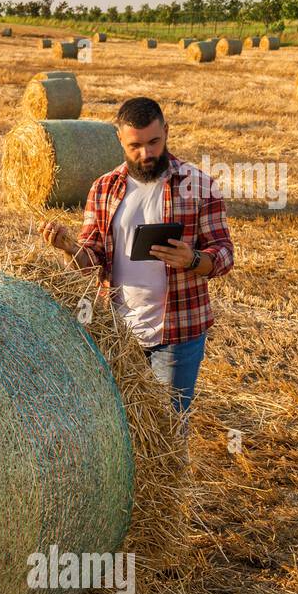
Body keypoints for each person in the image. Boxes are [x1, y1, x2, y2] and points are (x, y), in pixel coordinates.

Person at [40, 97, 234, 429]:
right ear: (120, 141)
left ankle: (174, 483)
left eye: (154, 142)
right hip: (117, 332)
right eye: (136, 146)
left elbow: (225, 254)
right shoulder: (103, 189)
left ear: (166, 132)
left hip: (176, 333)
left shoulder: (198, 185)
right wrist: (69, 248)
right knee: (117, 429)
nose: (146, 154)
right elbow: (93, 262)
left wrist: (193, 259)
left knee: (167, 431)